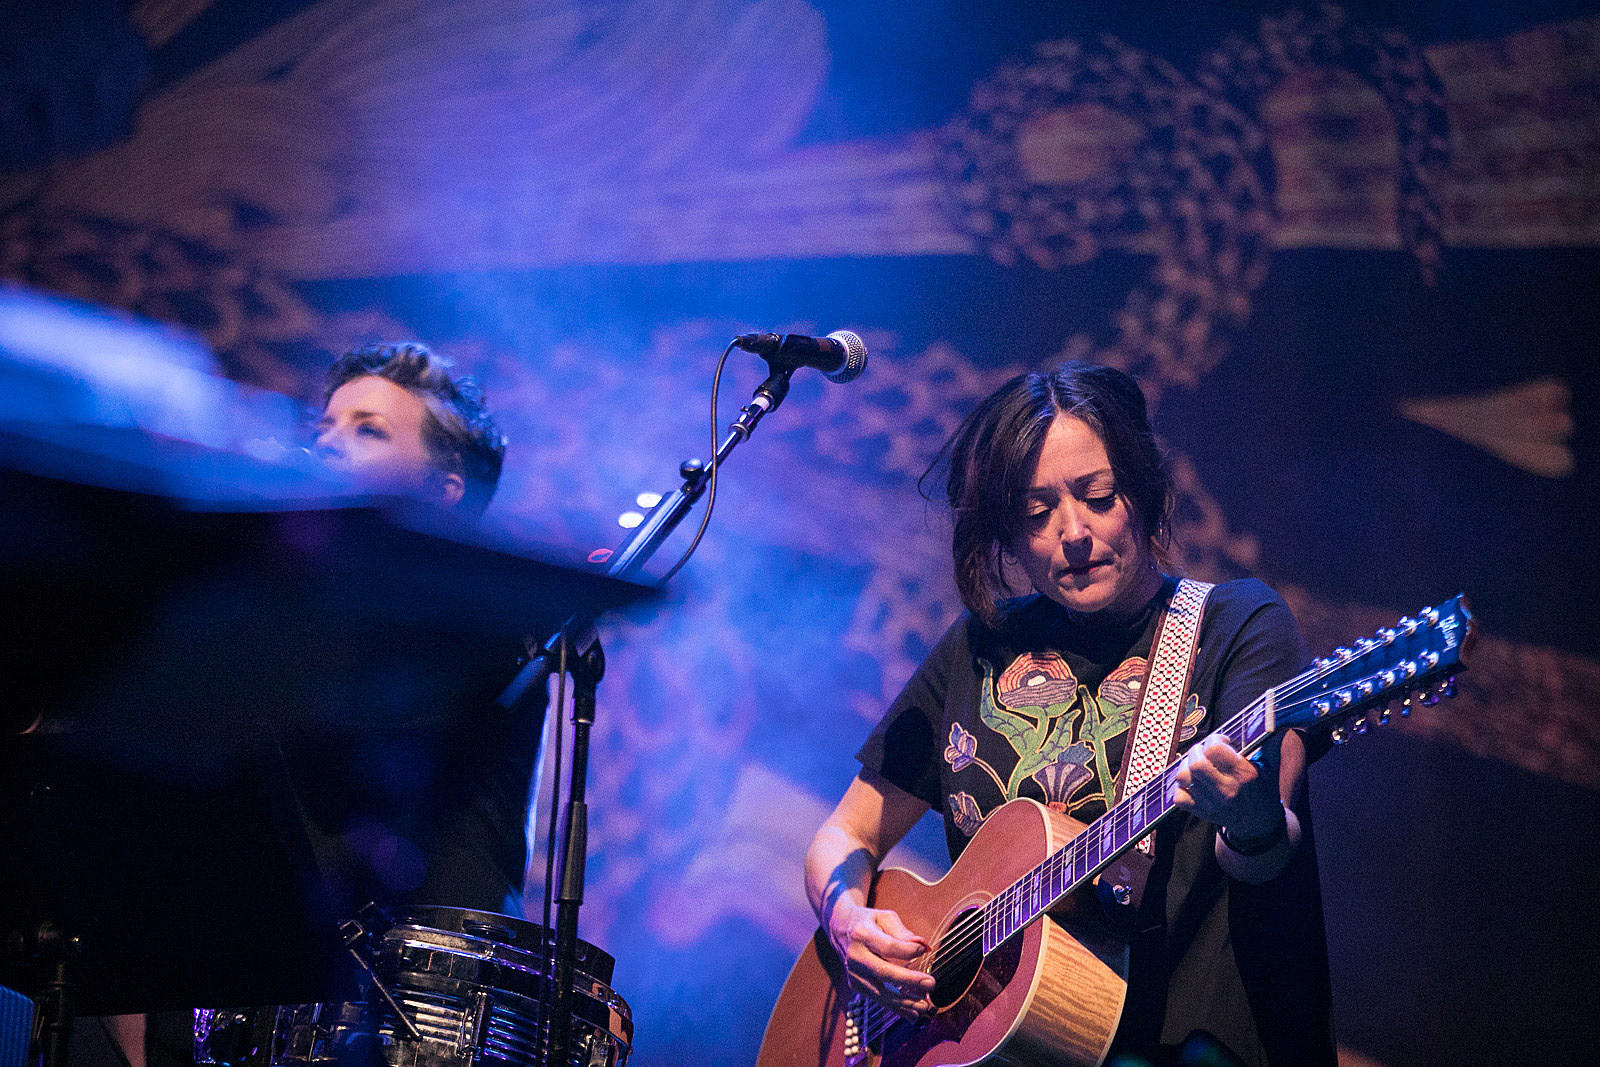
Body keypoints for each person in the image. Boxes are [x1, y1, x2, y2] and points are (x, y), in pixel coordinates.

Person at [804, 362, 1336, 1066]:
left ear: (1141, 493)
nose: (1073, 531)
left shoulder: (1235, 626)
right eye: (1036, 512)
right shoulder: (978, 647)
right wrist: (846, 921)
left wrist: (1254, 819)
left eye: (1098, 495)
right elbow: (846, 830)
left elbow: (1266, 854)